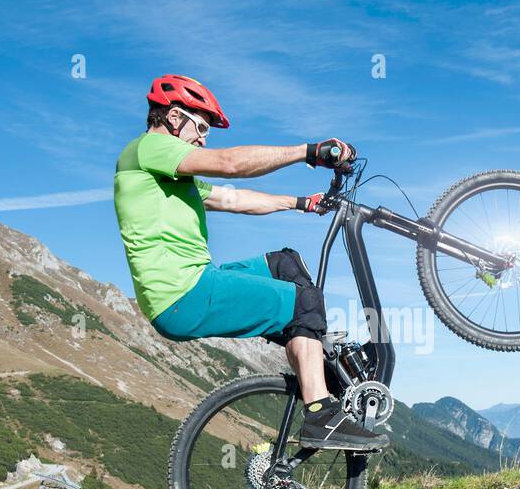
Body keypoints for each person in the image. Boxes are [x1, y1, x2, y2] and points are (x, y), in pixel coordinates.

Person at [113, 74, 388, 452]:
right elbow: (228, 164)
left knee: (286, 265)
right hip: (183, 296)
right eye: (202, 127)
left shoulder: (172, 176)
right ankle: (321, 414)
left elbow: (234, 198)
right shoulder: (149, 148)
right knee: (302, 302)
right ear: (175, 117)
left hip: (198, 282)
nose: (203, 138)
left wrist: (298, 202)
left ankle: (320, 369)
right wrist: (308, 151)